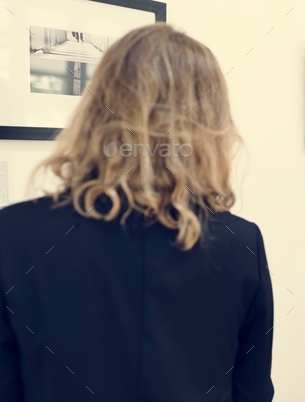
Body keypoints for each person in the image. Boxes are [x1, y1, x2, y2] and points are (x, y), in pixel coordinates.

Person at [0, 23, 274, 402]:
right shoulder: (241, 245)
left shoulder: (14, 234)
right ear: (210, 125)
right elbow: (253, 392)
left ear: (98, 108)